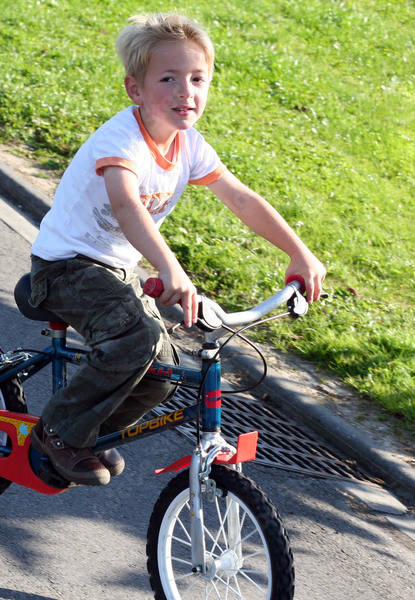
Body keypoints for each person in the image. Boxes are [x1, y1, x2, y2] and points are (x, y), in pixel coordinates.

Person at [27, 12, 326, 485]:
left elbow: (241, 198)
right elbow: (127, 206)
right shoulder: (121, 141)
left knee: (162, 370)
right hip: (64, 267)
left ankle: (89, 433)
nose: (186, 91)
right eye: (168, 78)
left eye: (197, 78)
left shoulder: (189, 145)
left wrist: (299, 252)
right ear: (136, 90)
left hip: (114, 270)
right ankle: (57, 435)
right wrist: (172, 270)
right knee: (136, 342)